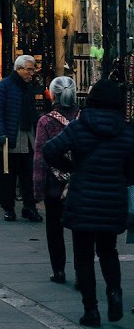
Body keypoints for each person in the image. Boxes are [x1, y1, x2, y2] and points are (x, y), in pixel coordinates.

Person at [43, 80, 134, 327]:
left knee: (83, 255)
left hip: (82, 198)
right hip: (112, 199)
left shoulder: (79, 127)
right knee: (108, 250)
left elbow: (49, 150)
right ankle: (114, 292)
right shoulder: (127, 132)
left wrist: (72, 168)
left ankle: (91, 310)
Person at [34, 76, 80, 286]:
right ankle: (82, 272)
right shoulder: (83, 118)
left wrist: (37, 187)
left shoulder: (46, 121)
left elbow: (40, 157)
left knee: (54, 229)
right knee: (81, 232)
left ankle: (59, 270)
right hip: (79, 183)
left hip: (55, 183)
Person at [0, 54, 44, 222]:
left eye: (33, 70)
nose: (31, 73)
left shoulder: (30, 87)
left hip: (27, 136)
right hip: (9, 137)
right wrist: (0, 133)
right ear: (19, 69)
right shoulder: (5, 85)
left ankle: (29, 207)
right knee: (7, 176)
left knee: (28, 175)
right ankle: (8, 208)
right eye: (29, 69)